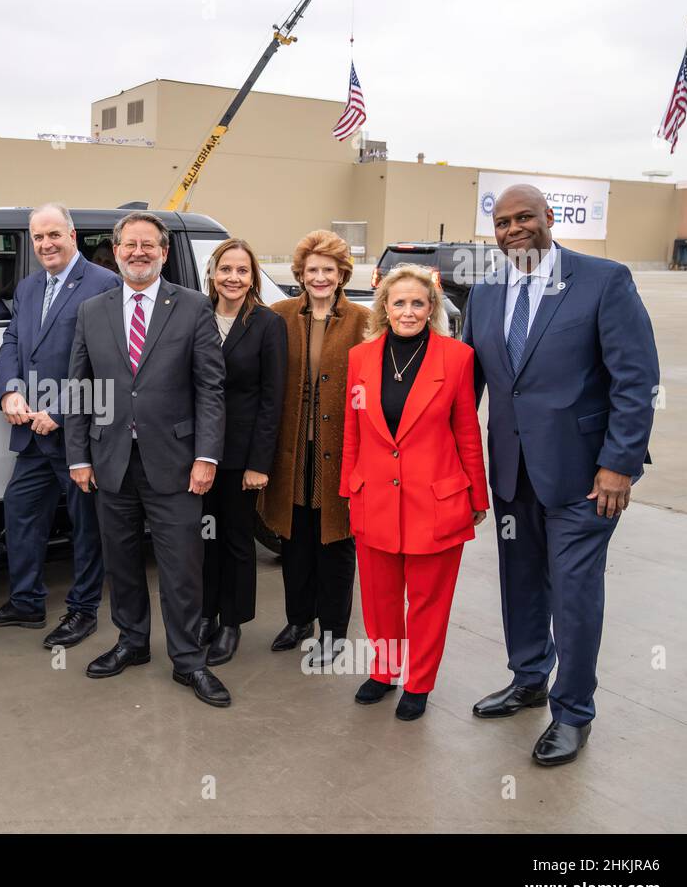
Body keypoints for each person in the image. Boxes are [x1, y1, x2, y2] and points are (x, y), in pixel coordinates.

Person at [463, 184, 659, 765]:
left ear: (550, 218)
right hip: (512, 473)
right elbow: (467, 383)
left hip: (585, 480)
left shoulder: (604, 280)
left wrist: (620, 464)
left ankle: (573, 712)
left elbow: (636, 380)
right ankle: (528, 679)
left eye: (524, 218)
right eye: (502, 222)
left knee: (573, 594)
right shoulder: (486, 290)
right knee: (520, 583)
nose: (513, 229)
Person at [66, 211, 231, 707]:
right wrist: (78, 456)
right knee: (121, 562)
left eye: (149, 245)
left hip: (177, 462)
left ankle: (188, 661)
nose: (139, 252)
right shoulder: (92, 310)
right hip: (110, 459)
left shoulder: (194, 307)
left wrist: (206, 456)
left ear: (163, 252)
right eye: (129, 244)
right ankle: (132, 642)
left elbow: (211, 388)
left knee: (181, 566)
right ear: (115, 252)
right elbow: (79, 388)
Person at [341, 264, 489, 720]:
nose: (408, 312)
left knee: (428, 601)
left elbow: (467, 430)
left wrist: (477, 497)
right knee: (380, 598)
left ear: (432, 308)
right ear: (384, 306)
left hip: (437, 501)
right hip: (375, 498)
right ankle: (384, 671)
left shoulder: (457, 358)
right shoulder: (360, 359)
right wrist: (350, 486)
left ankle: (419, 682)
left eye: (418, 303)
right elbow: (353, 429)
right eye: (399, 302)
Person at [0, 203, 120, 646]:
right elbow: (14, 340)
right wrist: (9, 391)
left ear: (72, 235)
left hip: (76, 431)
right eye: (38, 238)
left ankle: (83, 611)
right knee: (20, 512)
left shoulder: (104, 283)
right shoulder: (29, 286)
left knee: (85, 525)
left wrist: (58, 411)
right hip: (31, 432)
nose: (46, 244)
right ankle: (26, 602)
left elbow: (106, 361)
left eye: (54, 235)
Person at [258, 230, 369, 666]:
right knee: (295, 539)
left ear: (342, 274)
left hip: (341, 451)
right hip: (290, 449)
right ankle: (298, 620)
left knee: (336, 543)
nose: (319, 277)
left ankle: (333, 632)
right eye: (311, 270)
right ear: (300, 274)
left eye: (329, 270)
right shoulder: (278, 315)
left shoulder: (364, 320)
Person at [199, 238, 286, 665]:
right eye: (226, 269)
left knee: (235, 538)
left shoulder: (267, 324)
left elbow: (273, 399)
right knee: (204, 536)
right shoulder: (195, 316)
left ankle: (231, 622)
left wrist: (258, 464)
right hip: (197, 452)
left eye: (243, 271)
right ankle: (206, 614)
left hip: (239, 455)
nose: (233, 278)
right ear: (212, 273)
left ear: (252, 279)